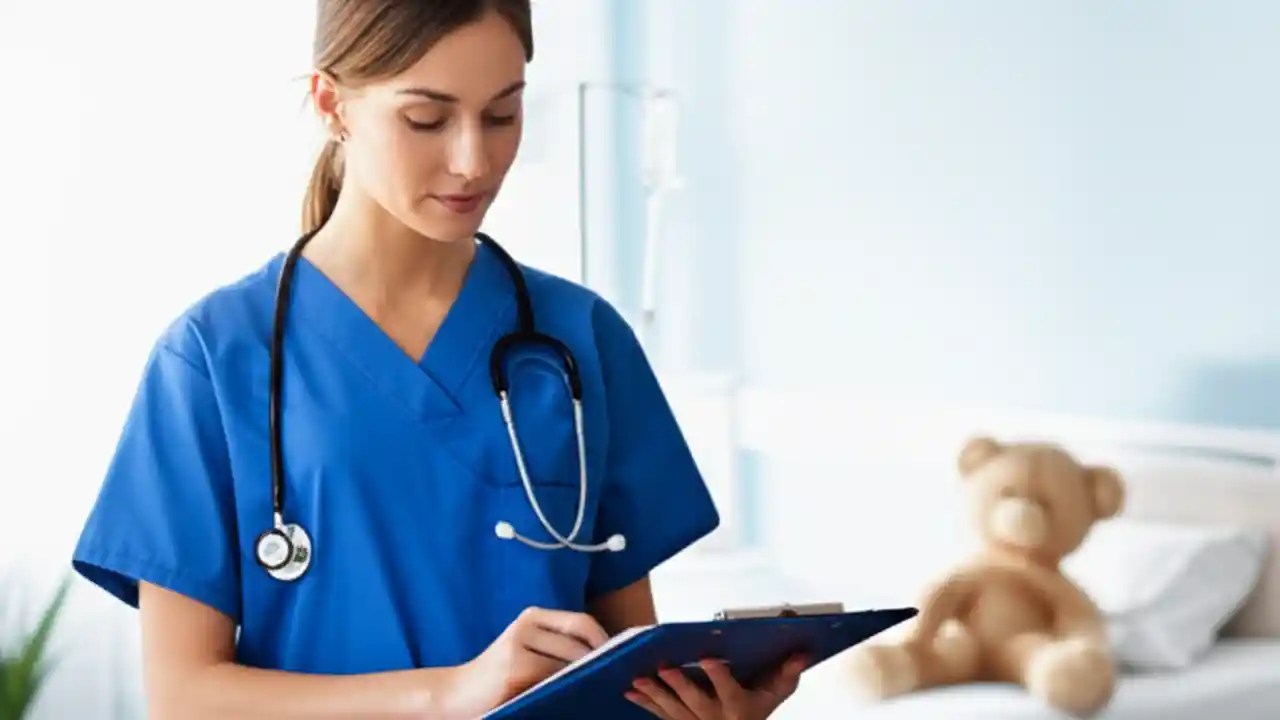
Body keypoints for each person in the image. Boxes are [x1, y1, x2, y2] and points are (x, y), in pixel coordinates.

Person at [69, 2, 807, 718]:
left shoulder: (582, 339)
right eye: (426, 118)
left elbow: (627, 663)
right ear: (333, 105)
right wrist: (451, 694)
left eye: (503, 114)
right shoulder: (211, 357)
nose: (473, 160)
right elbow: (185, 698)